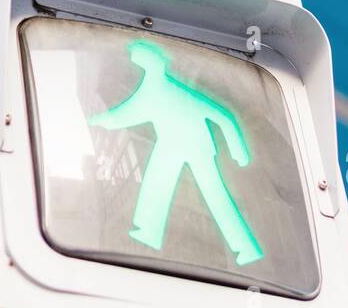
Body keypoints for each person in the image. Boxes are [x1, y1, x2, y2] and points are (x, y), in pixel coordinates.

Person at [91, 40, 263, 264]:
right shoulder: (152, 90)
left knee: (215, 196)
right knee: (156, 186)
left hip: (196, 147)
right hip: (170, 146)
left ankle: (245, 249)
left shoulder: (168, 90)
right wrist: (98, 119)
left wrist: (238, 149)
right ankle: (148, 231)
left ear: (156, 63)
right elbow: (123, 115)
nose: (141, 61)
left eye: (143, 58)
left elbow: (222, 116)